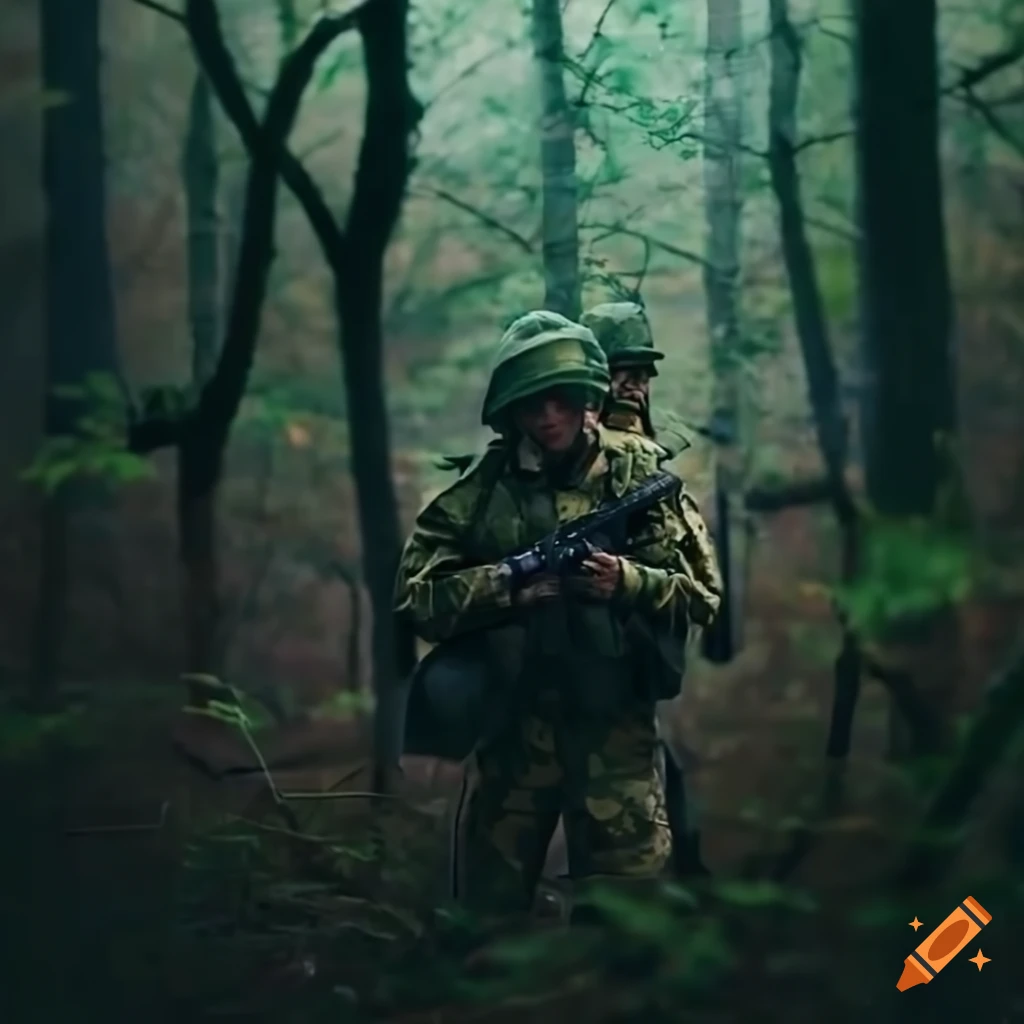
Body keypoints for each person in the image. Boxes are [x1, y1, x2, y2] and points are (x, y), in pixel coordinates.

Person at [394, 310, 721, 919]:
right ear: (511, 413)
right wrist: (506, 589)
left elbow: (702, 595)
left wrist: (627, 581)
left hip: (615, 726)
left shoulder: (639, 477)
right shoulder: (481, 494)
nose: (548, 419)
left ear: (584, 400)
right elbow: (416, 597)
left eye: (560, 402)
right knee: (487, 916)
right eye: (532, 406)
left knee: (630, 916)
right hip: (517, 726)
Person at [581, 300, 711, 877]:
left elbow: (704, 594)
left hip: (622, 700)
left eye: (643, 376)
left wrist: (630, 581)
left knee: (633, 869)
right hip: (531, 705)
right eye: (619, 372)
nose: (633, 387)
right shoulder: (532, 467)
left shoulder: (659, 483)